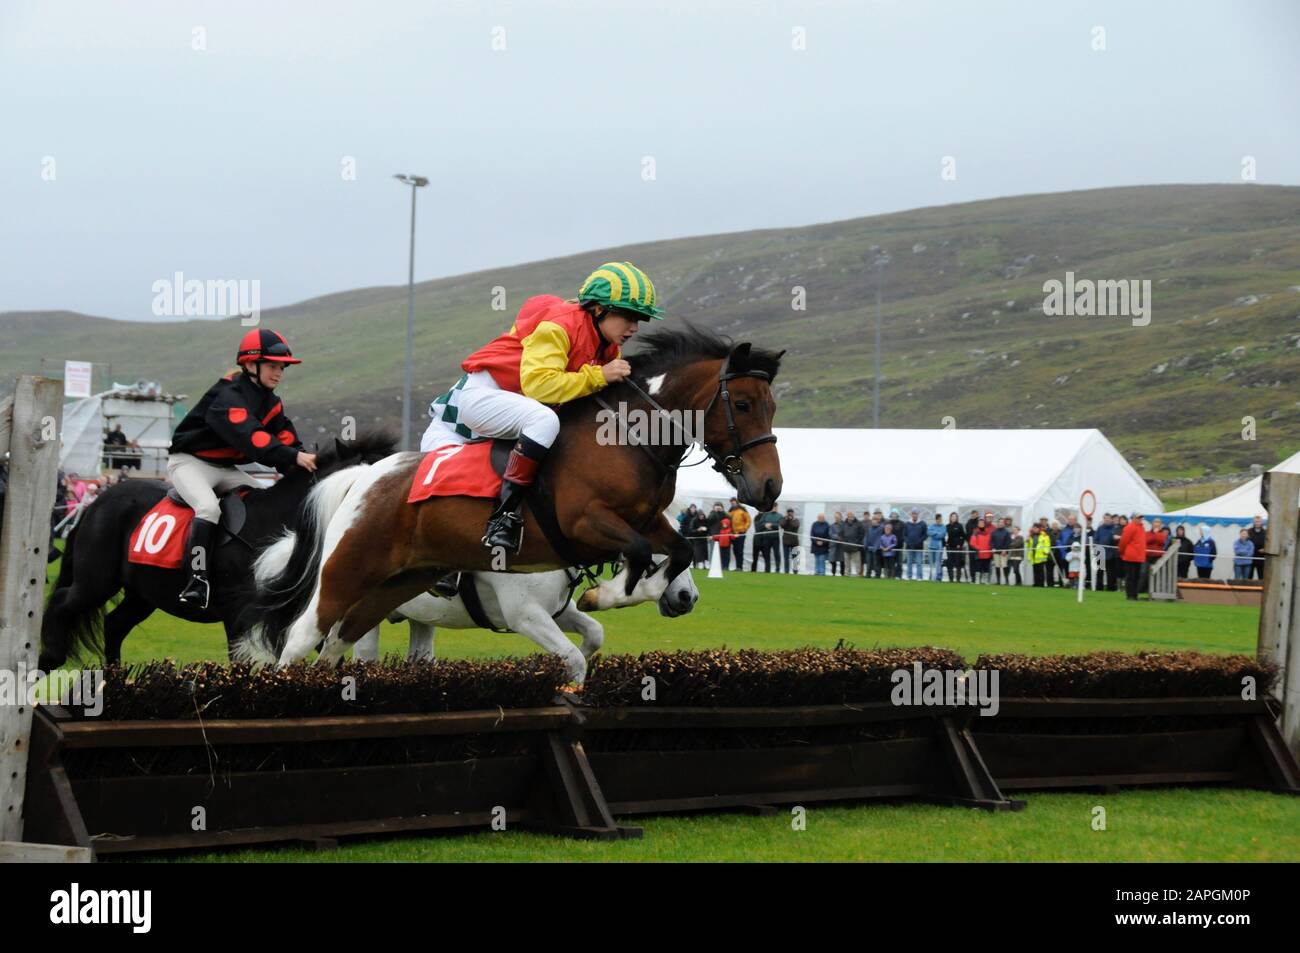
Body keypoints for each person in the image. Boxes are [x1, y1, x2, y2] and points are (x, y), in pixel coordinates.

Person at [419, 261, 660, 558]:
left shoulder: (606, 346)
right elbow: (538, 385)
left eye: (641, 320)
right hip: (476, 403)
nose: (635, 328)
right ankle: (502, 517)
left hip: (506, 411)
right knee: (544, 421)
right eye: (629, 317)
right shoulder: (560, 324)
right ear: (599, 309)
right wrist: (600, 376)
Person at [168, 328, 313, 609]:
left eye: (282, 367)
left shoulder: (271, 403)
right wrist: (293, 457)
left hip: (226, 469)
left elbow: (286, 440)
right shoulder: (227, 396)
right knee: (208, 509)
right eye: (272, 365)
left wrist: (308, 460)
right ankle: (197, 580)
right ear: (250, 364)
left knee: (265, 501)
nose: (279, 373)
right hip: (190, 464)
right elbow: (252, 438)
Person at [1118, 512, 1148, 600]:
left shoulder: (1141, 527)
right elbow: (1123, 541)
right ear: (1133, 518)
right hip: (1131, 556)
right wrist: (1122, 552)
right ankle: (1130, 595)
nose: (1140, 519)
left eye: (1141, 518)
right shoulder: (1130, 527)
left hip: (1138, 557)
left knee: (1136, 577)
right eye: (1138, 518)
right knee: (1131, 577)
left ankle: (1134, 595)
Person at [752, 505, 782, 572]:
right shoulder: (766, 515)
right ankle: (767, 569)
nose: (774, 508)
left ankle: (777, 569)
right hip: (766, 537)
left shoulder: (780, 516)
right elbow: (761, 523)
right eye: (773, 507)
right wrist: (765, 525)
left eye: (776, 507)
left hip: (775, 537)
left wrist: (771, 525)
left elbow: (780, 525)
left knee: (776, 554)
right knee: (766, 554)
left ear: (777, 508)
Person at [1094, 513, 1118, 591]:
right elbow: (1096, 539)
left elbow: (1116, 540)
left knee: (1111, 573)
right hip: (1101, 553)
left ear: (1111, 519)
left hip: (1111, 554)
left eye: (1108, 518)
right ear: (1103, 519)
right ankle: (1099, 588)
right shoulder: (1100, 528)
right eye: (1105, 518)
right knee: (1100, 573)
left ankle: (1110, 589)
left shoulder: (1114, 528)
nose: (1107, 520)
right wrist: (1097, 548)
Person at [901, 508, 927, 580]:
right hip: (909, 546)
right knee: (909, 562)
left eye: (916, 513)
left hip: (919, 546)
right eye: (913, 513)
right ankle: (909, 576)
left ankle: (919, 577)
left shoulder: (922, 523)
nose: (914, 515)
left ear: (918, 514)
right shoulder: (907, 523)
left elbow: (925, 535)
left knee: (919, 563)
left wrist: (919, 541)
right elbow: (904, 535)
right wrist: (907, 541)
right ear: (911, 514)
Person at [728, 498, 752, 571]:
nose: (733, 504)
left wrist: (744, 529)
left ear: (737, 503)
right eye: (732, 503)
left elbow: (748, 521)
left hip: (741, 533)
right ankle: (737, 566)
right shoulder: (730, 512)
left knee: (740, 550)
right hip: (733, 534)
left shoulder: (742, 511)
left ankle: (740, 566)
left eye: (734, 502)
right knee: (735, 550)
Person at [841, 511, 865, 577]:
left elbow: (862, 534)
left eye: (851, 515)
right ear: (847, 516)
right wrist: (843, 541)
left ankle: (858, 574)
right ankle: (847, 574)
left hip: (855, 547)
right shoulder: (843, 524)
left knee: (857, 562)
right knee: (847, 562)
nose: (850, 517)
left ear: (854, 516)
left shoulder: (859, 523)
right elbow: (841, 533)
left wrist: (857, 542)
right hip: (846, 547)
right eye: (849, 516)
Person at [944, 512, 967, 583]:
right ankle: (951, 579)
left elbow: (963, 536)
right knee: (949, 563)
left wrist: (960, 544)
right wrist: (945, 543)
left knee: (958, 564)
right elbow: (944, 536)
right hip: (949, 548)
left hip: (957, 548)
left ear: (957, 518)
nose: (953, 518)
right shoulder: (947, 526)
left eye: (955, 516)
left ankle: (958, 579)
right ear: (950, 518)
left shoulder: (959, 526)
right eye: (952, 516)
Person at [969, 519, 992, 584]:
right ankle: (977, 580)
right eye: (980, 523)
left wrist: (989, 548)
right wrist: (979, 548)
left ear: (984, 524)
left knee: (986, 568)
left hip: (987, 553)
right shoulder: (975, 532)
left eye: (982, 523)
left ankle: (985, 581)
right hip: (978, 553)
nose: (981, 524)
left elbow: (990, 542)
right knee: (978, 567)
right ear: (978, 524)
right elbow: (972, 543)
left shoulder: (988, 532)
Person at [989, 518, 1011, 585]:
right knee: (997, 566)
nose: (1000, 523)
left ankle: (1007, 581)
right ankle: (998, 581)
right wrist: (993, 548)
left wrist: (1005, 550)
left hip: (1004, 552)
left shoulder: (1007, 532)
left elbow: (1008, 542)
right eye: (999, 522)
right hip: (996, 552)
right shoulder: (994, 532)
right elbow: (991, 541)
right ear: (997, 523)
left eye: (1002, 522)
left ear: (1004, 524)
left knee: (1004, 566)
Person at [780, 508, 801, 574]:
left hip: (794, 542)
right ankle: (786, 571)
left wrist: (790, 520)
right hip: (786, 542)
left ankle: (795, 571)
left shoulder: (796, 520)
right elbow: (782, 525)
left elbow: (795, 526)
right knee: (786, 557)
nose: (790, 514)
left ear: (793, 513)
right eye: (789, 512)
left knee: (795, 557)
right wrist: (787, 520)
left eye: (791, 512)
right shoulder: (784, 519)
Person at [926, 513, 946, 581]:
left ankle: (938, 577)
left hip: (939, 547)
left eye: (940, 519)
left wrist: (934, 533)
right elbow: (928, 532)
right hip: (931, 546)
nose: (939, 521)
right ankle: (931, 576)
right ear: (936, 520)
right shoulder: (931, 526)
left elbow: (942, 535)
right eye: (938, 519)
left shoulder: (943, 527)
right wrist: (937, 533)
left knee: (938, 562)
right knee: (931, 562)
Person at [1246, 516, 1267, 581]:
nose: (1257, 523)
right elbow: (1245, 542)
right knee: (1249, 576)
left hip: (1261, 558)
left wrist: (1265, 549)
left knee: (1261, 576)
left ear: (1262, 522)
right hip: (1250, 557)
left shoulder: (1266, 532)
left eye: (1259, 521)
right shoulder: (1249, 531)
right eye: (1256, 521)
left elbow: (1269, 542)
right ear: (1253, 522)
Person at [863, 512, 883, 578]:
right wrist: (865, 544)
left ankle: (877, 575)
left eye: (875, 520)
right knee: (868, 562)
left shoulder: (881, 528)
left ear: (877, 521)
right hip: (869, 548)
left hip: (876, 549)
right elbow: (866, 536)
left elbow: (879, 538)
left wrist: (876, 547)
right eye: (873, 520)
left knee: (876, 563)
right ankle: (868, 574)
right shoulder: (869, 528)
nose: (874, 521)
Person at [828, 512, 845, 576]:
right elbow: (830, 534)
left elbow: (845, 532)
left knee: (842, 560)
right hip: (834, 545)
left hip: (842, 545)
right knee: (833, 560)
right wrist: (837, 537)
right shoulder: (832, 525)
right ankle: (833, 573)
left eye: (837, 517)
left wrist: (842, 538)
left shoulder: (844, 525)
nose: (836, 519)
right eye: (835, 517)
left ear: (841, 517)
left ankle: (842, 573)